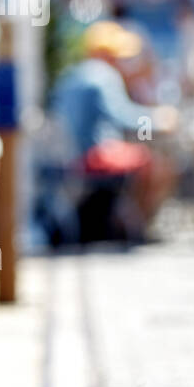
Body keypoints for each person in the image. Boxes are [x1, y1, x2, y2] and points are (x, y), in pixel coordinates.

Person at [49, 20, 174, 234]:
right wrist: (159, 119)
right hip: (98, 155)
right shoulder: (103, 75)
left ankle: (123, 221)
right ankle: (136, 227)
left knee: (145, 159)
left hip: (73, 158)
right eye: (116, 54)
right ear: (103, 54)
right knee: (158, 166)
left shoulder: (71, 77)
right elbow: (123, 116)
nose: (120, 61)